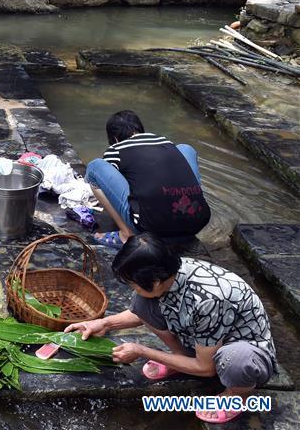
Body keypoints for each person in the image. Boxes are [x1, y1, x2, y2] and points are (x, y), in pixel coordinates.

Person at [65, 234, 276, 425]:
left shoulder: (209, 299)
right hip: (203, 340)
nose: (132, 288)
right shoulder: (168, 272)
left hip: (242, 349)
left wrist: (142, 351)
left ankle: (237, 395)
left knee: (236, 359)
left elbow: (207, 368)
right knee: (143, 303)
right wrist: (104, 323)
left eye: (133, 284)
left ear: (155, 283)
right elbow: (140, 312)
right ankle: (181, 358)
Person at [87, 110, 211, 248]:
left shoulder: (115, 149)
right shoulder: (165, 141)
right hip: (198, 221)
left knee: (94, 167)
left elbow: (114, 184)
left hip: (152, 226)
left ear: (114, 138)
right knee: (185, 148)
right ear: (140, 129)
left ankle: (126, 234)